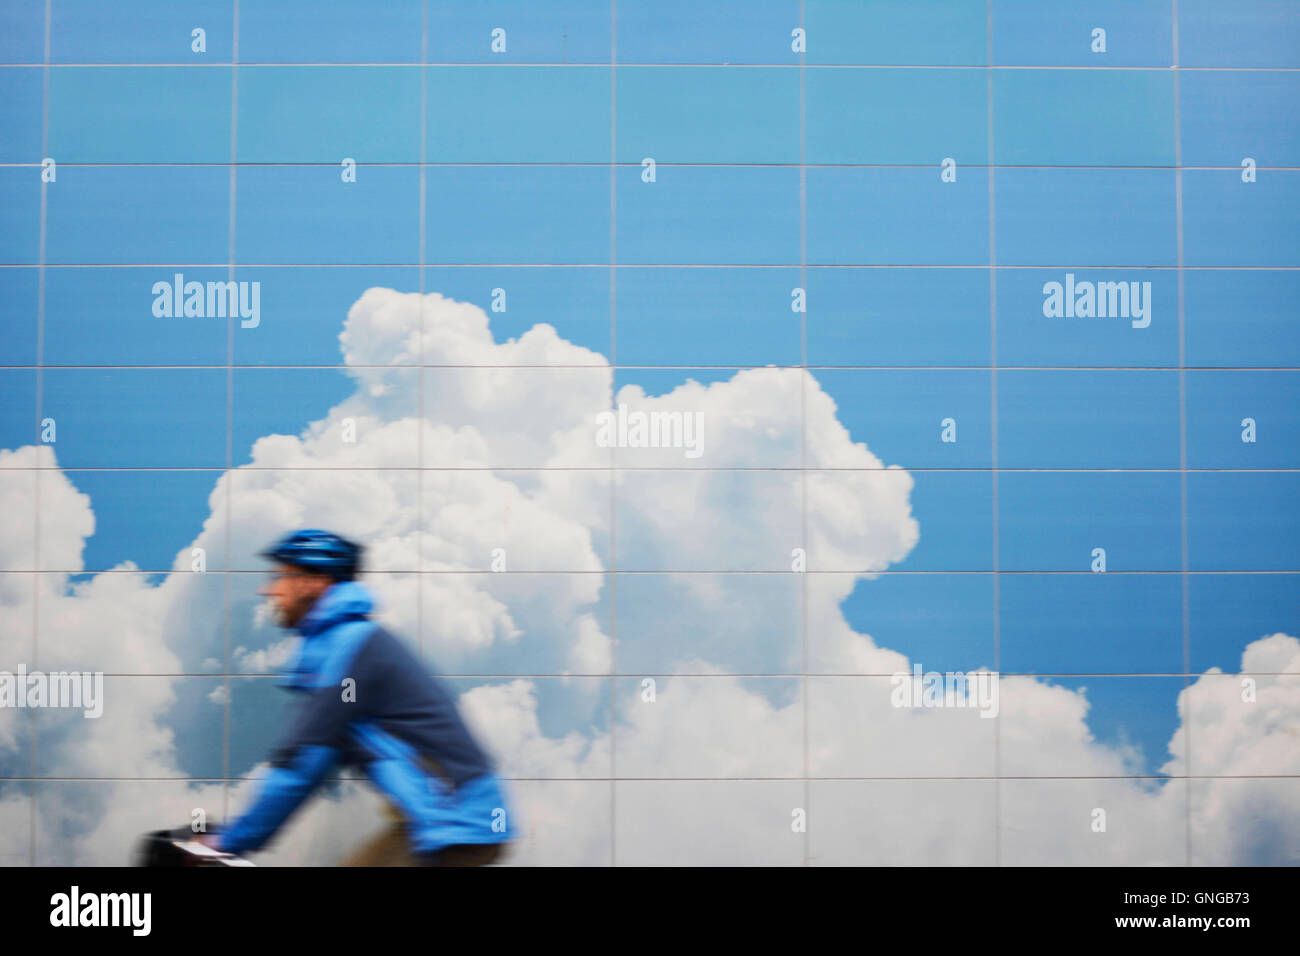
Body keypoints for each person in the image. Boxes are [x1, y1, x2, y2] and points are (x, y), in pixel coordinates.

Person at [198, 529, 513, 866]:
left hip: (456, 822)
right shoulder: (340, 643)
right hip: (440, 819)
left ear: (313, 582)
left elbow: (303, 764)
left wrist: (225, 843)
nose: (269, 589)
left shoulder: (350, 647)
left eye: (281, 576)